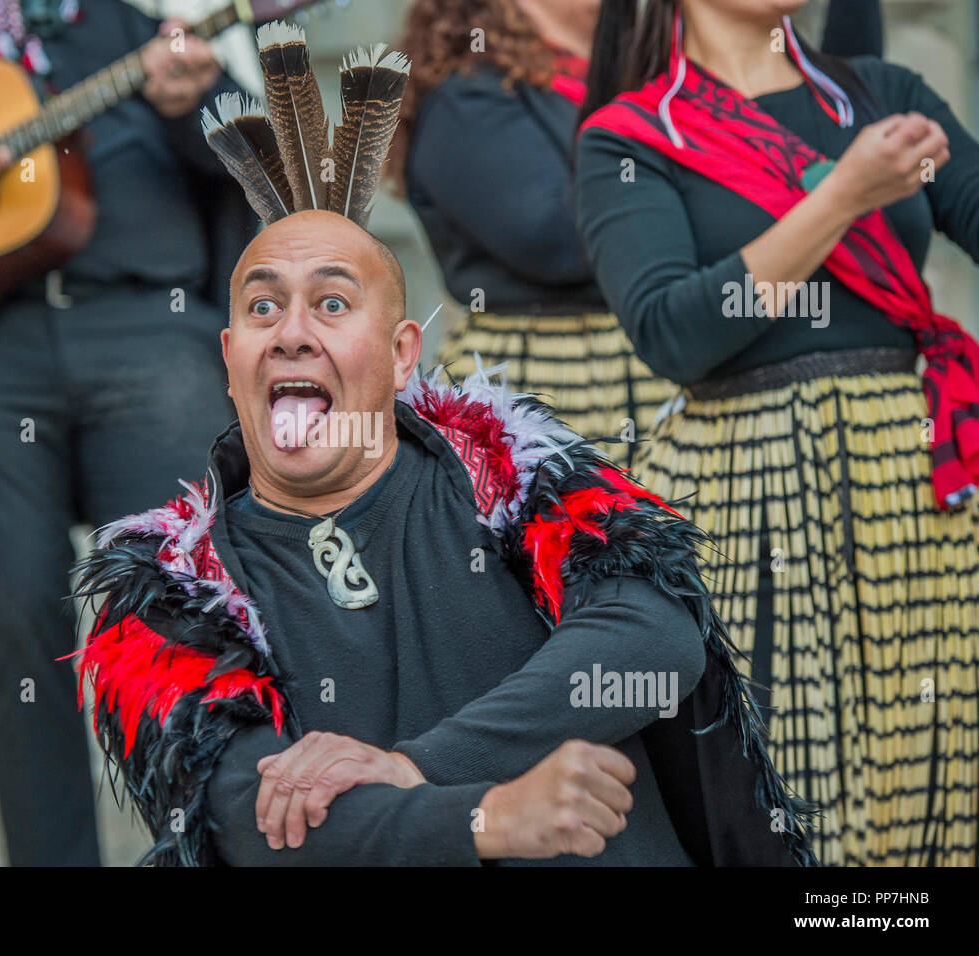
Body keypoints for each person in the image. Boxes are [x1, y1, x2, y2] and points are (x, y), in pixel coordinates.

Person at [70, 23, 814, 866]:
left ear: (400, 358)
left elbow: (652, 635)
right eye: (263, 308)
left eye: (335, 303)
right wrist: (486, 819)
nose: (292, 332)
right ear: (230, 358)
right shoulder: (174, 598)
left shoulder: (517, 479)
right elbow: (245, 818)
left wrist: (420, 767)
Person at [573, 0, 979, 865]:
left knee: (938, 762)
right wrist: (839, 197)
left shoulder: (877, 96)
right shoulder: (633, 136)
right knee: (799, 781)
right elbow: (676, 334)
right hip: (753, 489)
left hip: (912, 478)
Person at [0, 0, 257, 865]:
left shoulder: (150, 16)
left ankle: (208, 852)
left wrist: (199, 97)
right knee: (11, 618)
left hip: (150, 322)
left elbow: (259, 165)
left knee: (180, 606)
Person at [395, 0, 881, 463]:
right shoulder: (468, 95)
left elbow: (827, 132)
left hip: (670, 362)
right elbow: (552, 239)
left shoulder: (663, 79)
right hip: (546, 375)